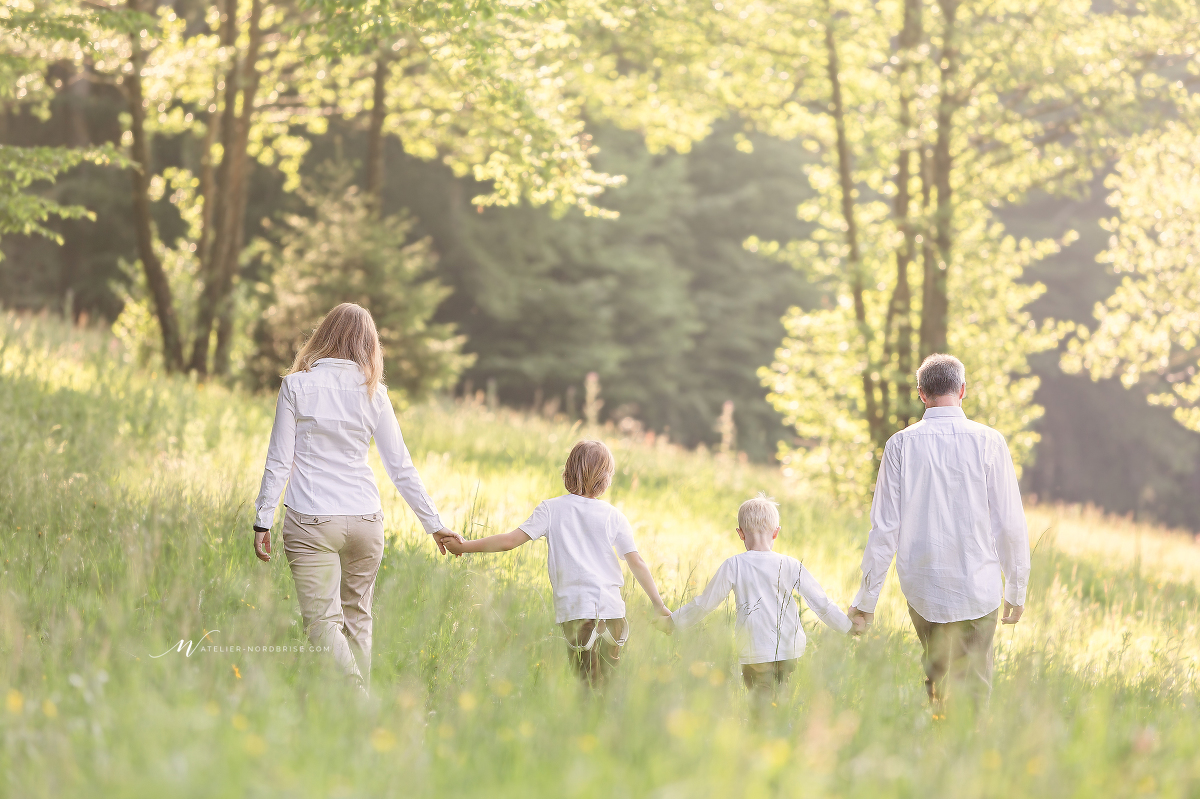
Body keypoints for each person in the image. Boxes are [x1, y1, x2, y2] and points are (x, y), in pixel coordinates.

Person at [252, 303, 464, 690]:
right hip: (366, 520)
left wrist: (262, 518)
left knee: (322, 623)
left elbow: (279, 460)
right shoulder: (374, 392)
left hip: (311, 518)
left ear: (324, 335)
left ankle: (355, 696)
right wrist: (435, 525)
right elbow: (401, 467)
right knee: (357, 619)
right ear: (369, 344)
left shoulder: (297, 385)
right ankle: (357, 718)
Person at [848, 353, 1030, 714]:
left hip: (924, 590)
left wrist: (866, 601)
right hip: (978, 587)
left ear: (921, 394)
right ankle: (965, 756)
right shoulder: (990, 442)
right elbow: (1009, 523)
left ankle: (937, 748)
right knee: (974, 689)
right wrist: (1017, 586)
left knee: (938, 680)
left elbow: (884, 530)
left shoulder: (900, 445)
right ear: (962, 390)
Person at [444, 440, 670, 686]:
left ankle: (590, 723)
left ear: (567, 472)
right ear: (605, 480)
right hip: (613, 613)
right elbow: (636, 561)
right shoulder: (614, 516)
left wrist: (464, 546)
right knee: (608, 685)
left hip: (577, 613)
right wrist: (658, 604)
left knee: (587, 686)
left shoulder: (551, 510)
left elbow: (509, 541)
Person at [663, 494, 851, 702]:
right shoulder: (790, 565)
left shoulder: (734, 565)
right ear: (776, 533)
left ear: (740, 534)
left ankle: (766, 729)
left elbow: (704, 604)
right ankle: (781, 726)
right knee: (780, 696)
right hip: (788, 649)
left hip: (754, 650)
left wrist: (673, 622)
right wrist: (848, 627)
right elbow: (821, 603)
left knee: (760, 701)